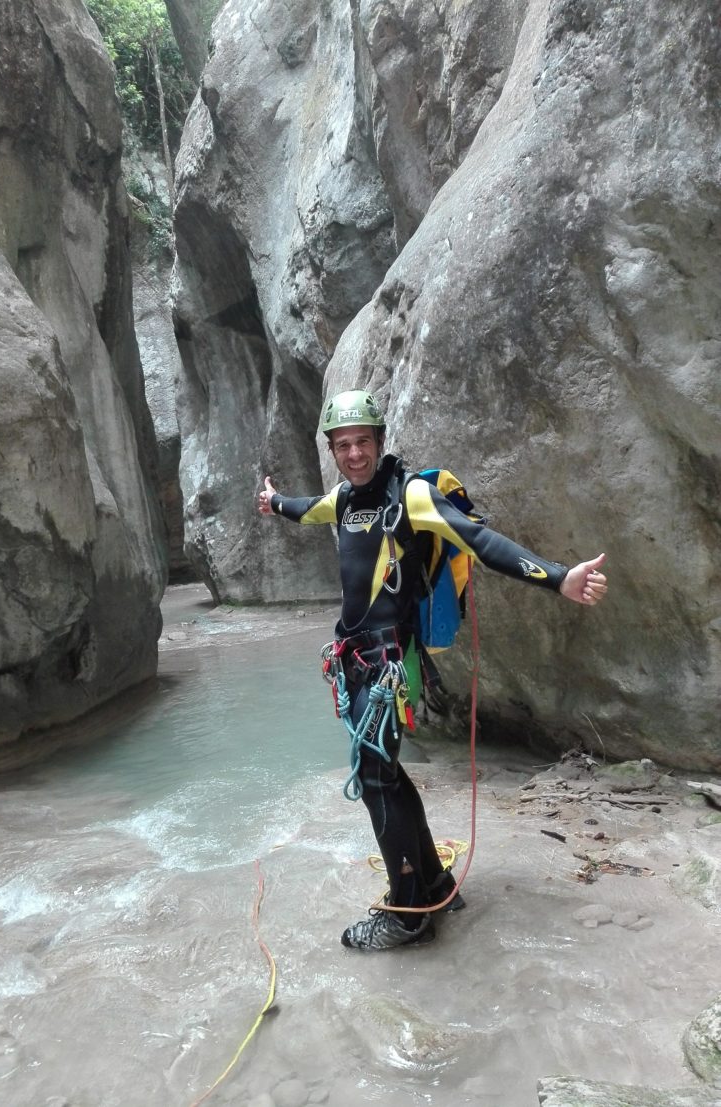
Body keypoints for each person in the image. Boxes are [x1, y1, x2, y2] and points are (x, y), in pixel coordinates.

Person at [258, 389, 608, 951]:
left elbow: (482, 541)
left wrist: (558, 576)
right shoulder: (345, 499)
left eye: (362, 443)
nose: (353, 455)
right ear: (332, 449)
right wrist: (275, 502)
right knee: (386, 775)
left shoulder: (411, 496)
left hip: (390, 666)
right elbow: (308, 510)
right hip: (357, 662)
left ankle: (407, 914)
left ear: (379, 441)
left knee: (376, 781)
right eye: (343, 445)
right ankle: (435, 882)